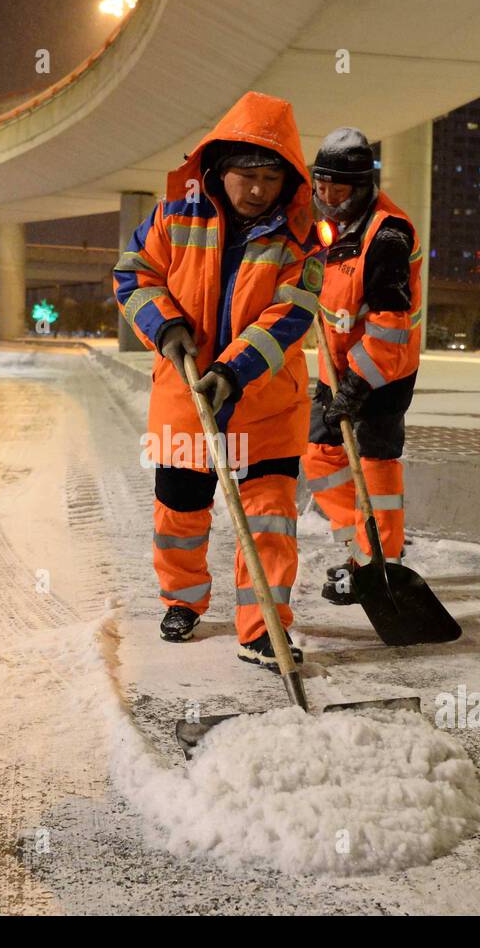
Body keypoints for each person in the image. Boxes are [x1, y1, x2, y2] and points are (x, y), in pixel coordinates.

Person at [113, 91, 325, 670]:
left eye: (271, 177)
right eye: (246, 175)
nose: (259, 189)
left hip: (264, 404)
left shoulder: (300, 240)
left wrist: (234, 371)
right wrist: (167, 326)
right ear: (218, 170)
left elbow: (290, 315)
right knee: (179, 512)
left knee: (269, 521)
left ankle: (263, 629)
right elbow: (134, 276)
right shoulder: (174, 215)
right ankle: (182, 600)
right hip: (185, 397)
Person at [303, 127, 422, 603]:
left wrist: (358, 385)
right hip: (338, 369)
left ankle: (379, 564)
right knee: (318, 453)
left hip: (383, 372)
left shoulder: (387, 235)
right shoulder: (329, 223)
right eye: (321, 185)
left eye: (339, 188)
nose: (328, 197)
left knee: (375, 466)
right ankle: (362, 545)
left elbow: (391, 327)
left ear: (363, 186)